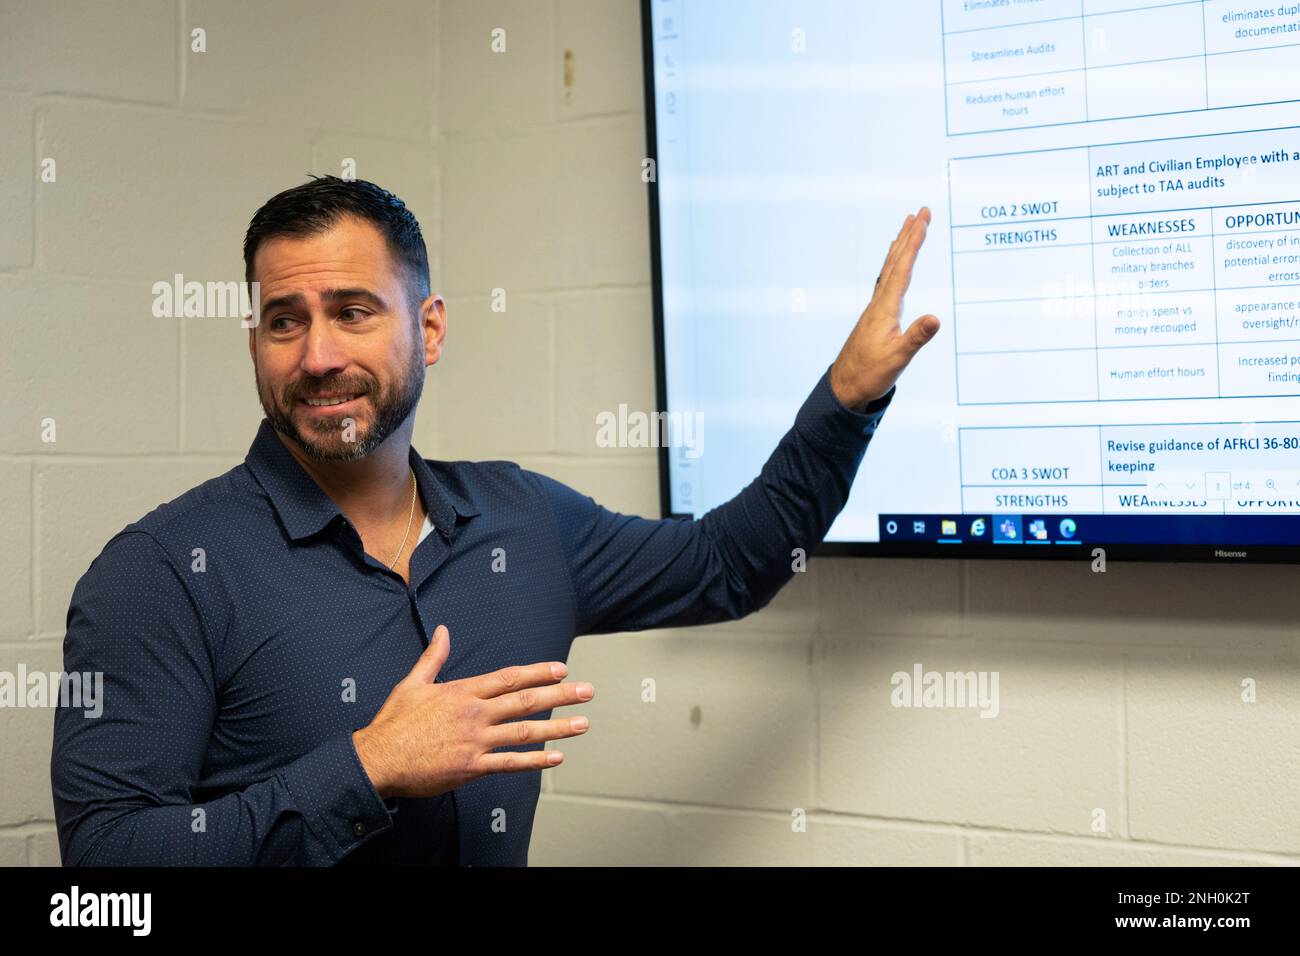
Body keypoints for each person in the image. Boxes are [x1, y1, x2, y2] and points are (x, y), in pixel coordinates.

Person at [50, 176, 939, 866]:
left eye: (353, 313)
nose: (318, 356)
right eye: (285, 321)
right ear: (255, 342)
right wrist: (365, 770)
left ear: (429, 329)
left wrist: (847, 402)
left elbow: (728, 564)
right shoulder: (161, 573)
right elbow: (102, 889)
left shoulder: (520, 521)